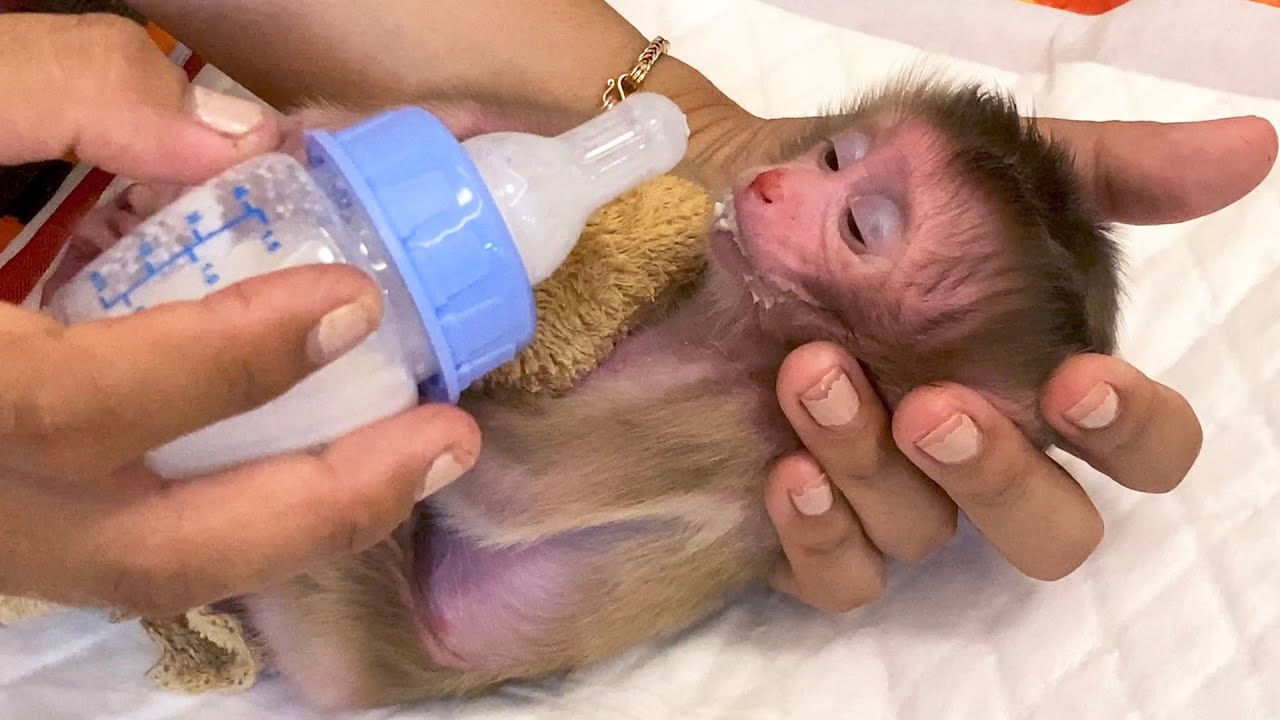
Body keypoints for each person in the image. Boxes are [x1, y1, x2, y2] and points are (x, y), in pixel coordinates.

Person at [0, 4, 1274, 618]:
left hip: (373, 606)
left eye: (855, 216)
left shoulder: (738, 421)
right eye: (831, 155)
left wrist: (689, 134)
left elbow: (487, 476)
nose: (782, 179)